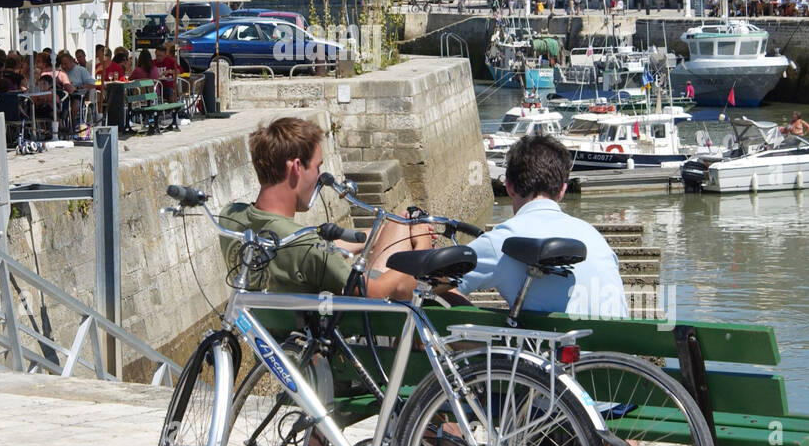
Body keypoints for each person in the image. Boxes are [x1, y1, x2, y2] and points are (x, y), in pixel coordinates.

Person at [219, 117, 426, 299]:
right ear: (297, 167)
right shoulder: (306, 246)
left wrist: (378, 234)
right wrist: (422, 249)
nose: (320, 177)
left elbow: (305, 254)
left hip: (270, 325)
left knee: (398, 224)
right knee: (434, 278)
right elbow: (375, 292)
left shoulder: (229, 218)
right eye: (317, 167)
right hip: (346, 321)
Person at [459, 134, 628, 318]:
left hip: (551, 336)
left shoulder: (503, 239)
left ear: (509, 186)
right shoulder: (594, 237)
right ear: (562, 190)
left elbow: (440, 283)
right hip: (617, 335)